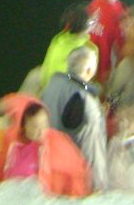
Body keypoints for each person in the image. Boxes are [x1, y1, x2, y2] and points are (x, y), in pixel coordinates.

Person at [0, 93, 91, 197]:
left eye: (45, 125)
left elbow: (76, 175)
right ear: (23, 127)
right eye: (35, 127)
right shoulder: (7, 144)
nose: (41, 131)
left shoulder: (59, 145)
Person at [40, 45, 107, 190]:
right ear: (89, 70)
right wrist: (98, 184)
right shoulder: (85, 99)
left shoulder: (52, 86)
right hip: (75, 178)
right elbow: (93, 148)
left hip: (51, 169)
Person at [38, 3, 98, 92]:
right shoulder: (90, 49)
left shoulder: (58, 38)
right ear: (87, 25)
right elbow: (88, 78)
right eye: (93, 20)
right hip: (66, 96)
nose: (96, 22)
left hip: (46, 90)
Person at [87, 0, 126, 84]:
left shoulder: (90, 7)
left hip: (86, 69)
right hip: (105, 72)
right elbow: (121, 45)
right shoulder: (120, 12)